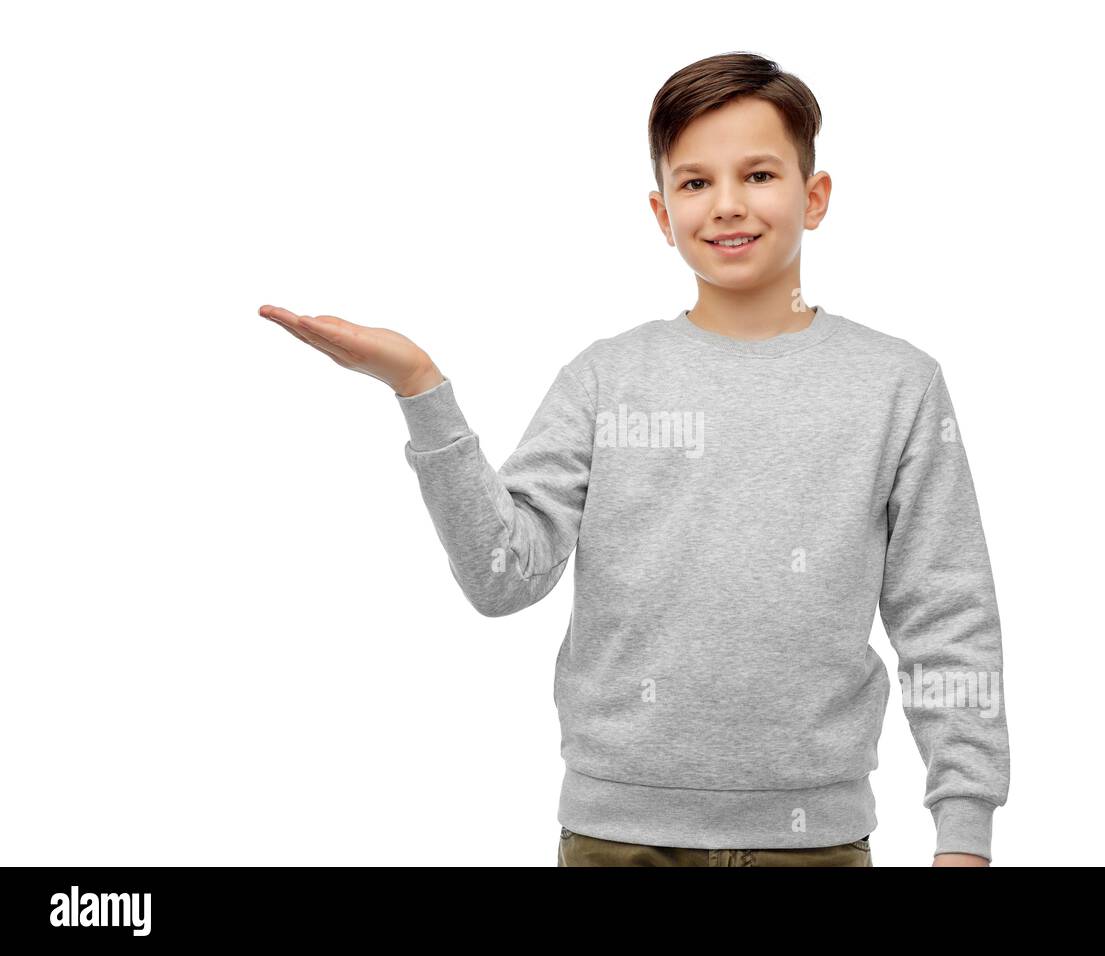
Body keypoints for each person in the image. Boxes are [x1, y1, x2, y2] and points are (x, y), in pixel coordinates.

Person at [259, 51, 1009, 867]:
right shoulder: (605, 379)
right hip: (615, 841)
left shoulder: (897, 385)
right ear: (660, 212)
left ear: (814, 195)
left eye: (758, 174)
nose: (727, 205)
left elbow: (946, 613)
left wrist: (963, 834)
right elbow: (503, 576)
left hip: (815, 841)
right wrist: (419, 387)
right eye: (695, 184)